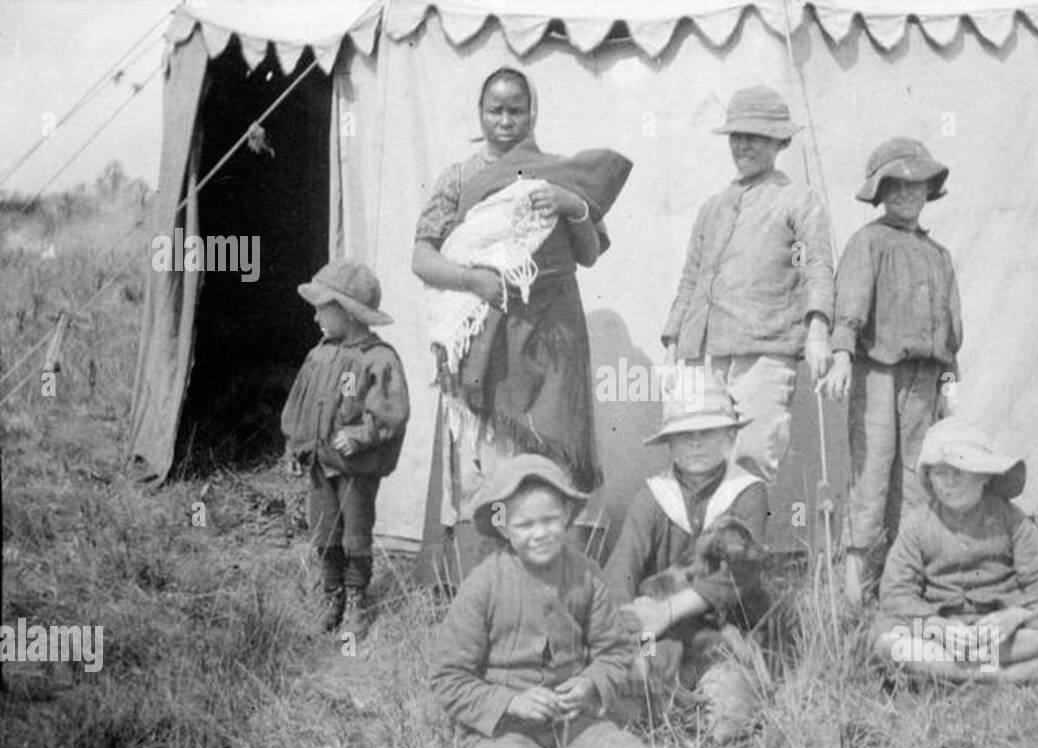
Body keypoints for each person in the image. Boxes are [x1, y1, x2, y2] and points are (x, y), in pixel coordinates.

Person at [411, 66, 631, 565]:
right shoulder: (461, 178)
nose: (506, 121)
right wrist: (473, 280)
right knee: (483, 459)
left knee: (543, 459)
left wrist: (572, 204)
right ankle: (486, 589)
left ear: (533, 113)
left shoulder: (555, 174)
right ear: (480, 113)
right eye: (495, 110)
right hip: (485, 339)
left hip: (550, 336)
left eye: (517, 110)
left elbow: (590, 254)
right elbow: (421, 258)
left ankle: (545, 590)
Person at [429, 455, 662, 748]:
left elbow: (617, 652)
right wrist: (510, 701)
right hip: (502, 731)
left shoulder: (588, 576)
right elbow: (447, 678)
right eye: (525, 524)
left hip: (576, 721)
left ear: (567, 515)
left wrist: (590, 683)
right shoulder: (482, 585)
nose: (540, 533)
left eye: (550, 520)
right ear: (503, 525)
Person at [661, 84, 835, 485]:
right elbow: (691, 278)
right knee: (696, 458)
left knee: (751, 457)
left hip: (764, 352)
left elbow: (817, 267)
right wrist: (674, 338)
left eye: (755, 136)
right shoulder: (713, 207)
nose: (743, 145)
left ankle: (738, 546)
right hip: (702, 355)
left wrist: (818, 328)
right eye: (737, 136)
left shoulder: (798, 200)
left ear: (780, 140)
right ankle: (699, 548)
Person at [821, 137, 962, 605]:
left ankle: (903, 588)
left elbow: (948, 328)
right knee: (873, 471)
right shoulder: (869, 242)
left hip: (924, 381)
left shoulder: (938, 254)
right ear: (879, 192)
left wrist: (948, 383)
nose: (907, 195)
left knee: (916, 477)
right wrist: (841, 354)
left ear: (928, 192)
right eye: (896, 186)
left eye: (916, 186)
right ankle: (853, 593)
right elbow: (851, 306)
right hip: (877, 374)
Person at [605, 374, 771, 743]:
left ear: (730, 437)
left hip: (725, 631)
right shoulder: (652, 497)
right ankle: (659, 702)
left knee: (729, 723)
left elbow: (740, 574)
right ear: (669, 444)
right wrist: (639, 626)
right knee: (636, 685)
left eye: (708, 432)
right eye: (685, 434)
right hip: (660, 633)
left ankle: (709, 698)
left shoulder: (746, 492)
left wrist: (669, 609)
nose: (696, 443)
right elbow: (619, 574)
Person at [869, 418, 1038, 683]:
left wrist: (1014, 616)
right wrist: (935, 626)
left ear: (983, 475)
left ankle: (956, 671)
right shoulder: (917, 524)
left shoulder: (1011, 518)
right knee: (888, 643)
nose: (949, 482)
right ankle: (1001, 675)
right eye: (939, 473)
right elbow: (896, 592)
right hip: (944, 630)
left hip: (1002, 631)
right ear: (930, 479)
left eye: (959, 471)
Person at [281, 261, 410, 639]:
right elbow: (299, 407)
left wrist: (360, 434)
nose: (316, 316)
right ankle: (331, 597)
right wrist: (295, 446)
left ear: (347, 312)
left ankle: (356, 600)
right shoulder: (318, 356)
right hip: (321, 466)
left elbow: (390, 411)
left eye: (323, 308)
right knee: (324, 533)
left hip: (355, 470)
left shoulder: (379, 359)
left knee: (355, 536)